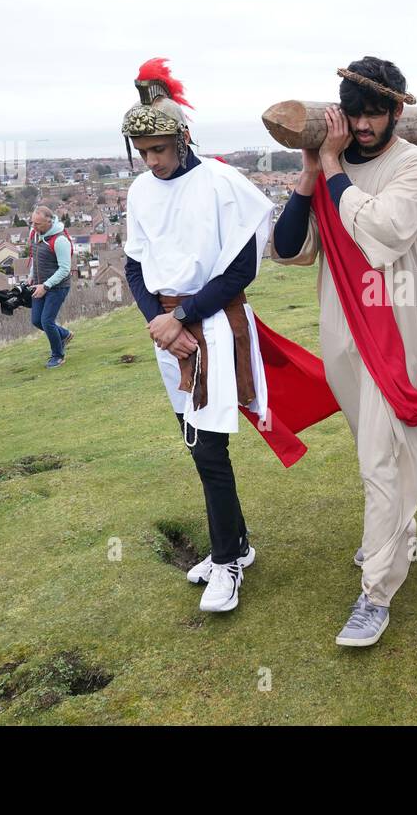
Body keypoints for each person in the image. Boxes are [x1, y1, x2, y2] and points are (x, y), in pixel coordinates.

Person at [121, 59, 336, 614]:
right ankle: (235, 546)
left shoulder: (222, 184)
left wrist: (183, 316)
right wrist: (160, 323)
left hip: (214, 325)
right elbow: (135, 267)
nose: (152, 161)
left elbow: (239, 271)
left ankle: (227, 564)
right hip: (166, 334)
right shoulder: (141, 192)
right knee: (195, 444)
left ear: (183, 138)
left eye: (160, 150)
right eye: (143, 152)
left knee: (208, 449)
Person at [271, 56, 417, 647]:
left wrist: (335, 169)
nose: (364, 125)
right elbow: (290, 247)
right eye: (355, 114)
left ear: (398, 110)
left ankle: (376, 594)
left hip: (394, 332)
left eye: (375, 113)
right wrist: (308, 175)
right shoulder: (328, 167)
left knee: (380, 460)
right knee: (376, 456)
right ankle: (399, 535)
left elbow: (386, 232)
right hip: (340, 332)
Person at [26, 205, 74, 369]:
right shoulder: (35, 234)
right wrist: (31, 276)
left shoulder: (60, 240)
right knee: (36, 320)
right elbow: (35, 257)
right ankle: (64, 335)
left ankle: (58, 355)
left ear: (49, 221)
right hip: (39, 284)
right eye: (32, 223)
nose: (34, 227)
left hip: (58, 287)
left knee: (47, 321)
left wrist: (46, 286)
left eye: (37, 224)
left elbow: (64, 269)